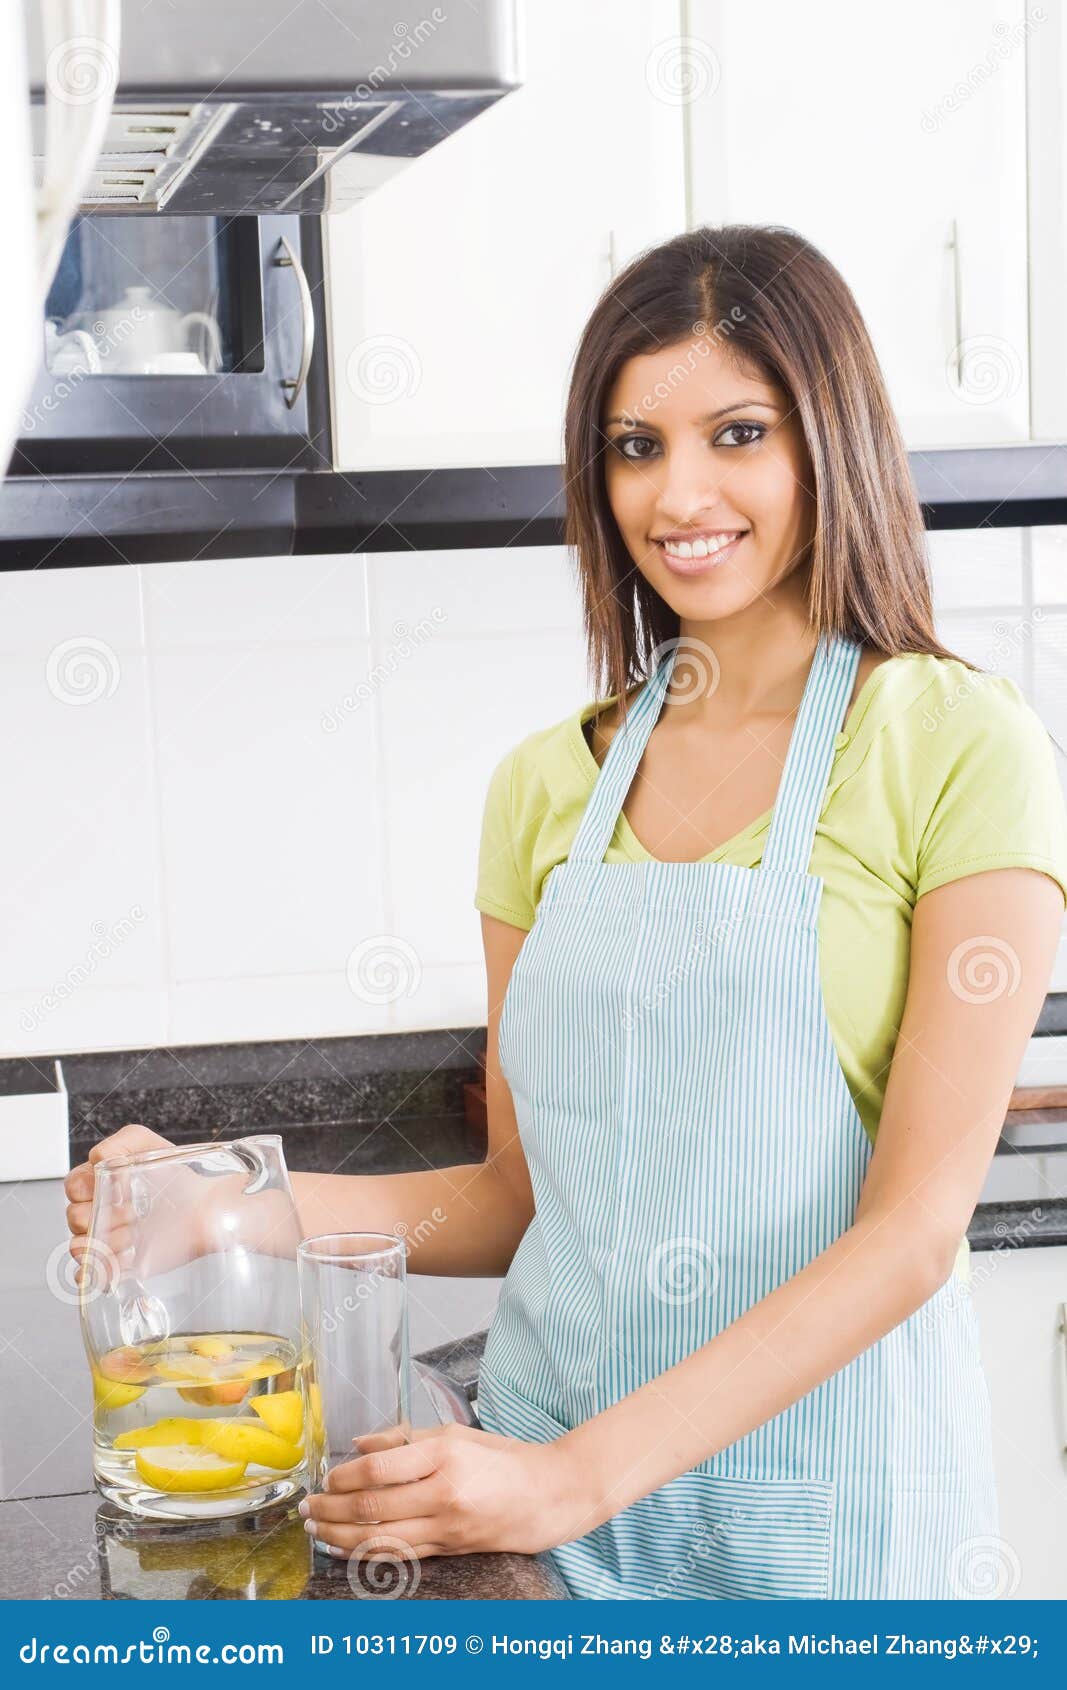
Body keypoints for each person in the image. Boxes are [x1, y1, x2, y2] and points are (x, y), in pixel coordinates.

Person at [66, 225, 1067, 1599]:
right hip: (546, 1522)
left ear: (828, 439)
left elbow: (912, 1231)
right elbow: (520, 1196)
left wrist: (573, 1473)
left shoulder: (956, 743)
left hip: (824, 1534)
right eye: (635, 446)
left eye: (737, 431)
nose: (681, 491)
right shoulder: (548, 785)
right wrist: (221, 1209)